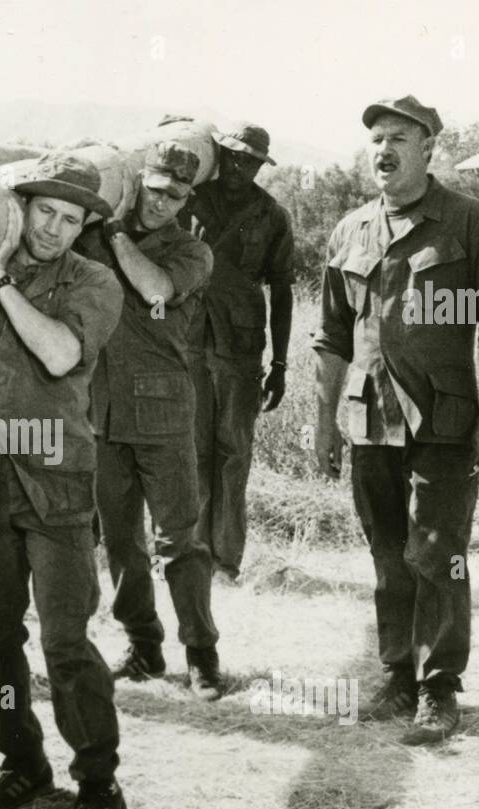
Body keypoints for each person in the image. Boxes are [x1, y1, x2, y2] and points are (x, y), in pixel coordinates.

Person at [314, 95, 479, 744]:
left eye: (399, 136)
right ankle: (398, 675)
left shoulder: (465, 221)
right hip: (369, 420)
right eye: (376, 136)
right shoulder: (351, 230)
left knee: (439, 555)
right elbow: (331, 339)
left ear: (429, 147)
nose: (384, 149)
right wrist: (324, 422)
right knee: (387, 556)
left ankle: (439, 689)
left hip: (444, 422)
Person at [0, 150, 129, 809]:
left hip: (54, 486)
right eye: (43, 212)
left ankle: (100, 789)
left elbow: (56, 354)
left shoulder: (95, 281)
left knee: (65, 644)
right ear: (19, 209)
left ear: (85, 226)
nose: (53, 228)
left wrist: (2, 283)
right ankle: (22, 762)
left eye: (69, 218)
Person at [74, 142, 222, 699]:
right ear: (140, 183)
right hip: (101, 414)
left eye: (175, 195)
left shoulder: (190, 252)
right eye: (154, 190)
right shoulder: (92, 237)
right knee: (120, 543)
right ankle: (144, 646)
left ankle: (202, 655)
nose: (162, 203)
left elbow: (155, 290)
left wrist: (115, 235)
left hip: (162, 413)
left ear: (188, 198)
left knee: (180, 541)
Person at [172, 118, 295, 583]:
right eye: (234, 157)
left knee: (234, 453)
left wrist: (280, 364)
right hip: (187, 343)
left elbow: (282, 290)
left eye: (252, 162)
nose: (241, 167)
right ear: (221, 156)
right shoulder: (190, 203)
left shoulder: (271, 216)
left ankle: (226, 561)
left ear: (261, 167)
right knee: (191, 451)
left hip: (241, 351)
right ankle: (191, 554)